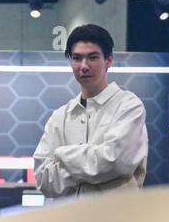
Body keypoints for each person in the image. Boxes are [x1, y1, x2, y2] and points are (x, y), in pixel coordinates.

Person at [34, 24, 147, 198]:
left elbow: (116, 162)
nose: (84, 66)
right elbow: (44, 179)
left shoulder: (129, 106)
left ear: (108, 60)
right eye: (77, 58)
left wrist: (62, 155)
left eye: (93, 57)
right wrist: (96, 167)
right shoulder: (59, 116)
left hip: (116, 221)